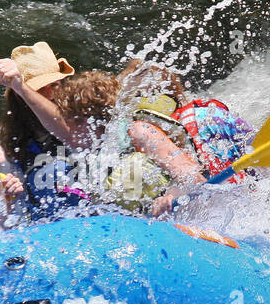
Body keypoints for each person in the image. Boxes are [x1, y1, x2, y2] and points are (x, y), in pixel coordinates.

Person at [0, 42, 119, 225]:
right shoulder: (10, 151)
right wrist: (8, 196)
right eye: (42, 88)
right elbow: (4, 222)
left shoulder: (83, 125)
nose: (51, 95)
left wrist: (20, 86)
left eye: (56, 85)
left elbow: (65, 130)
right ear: (19, 97)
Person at [105, 58, 255, 215]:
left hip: (221, 204)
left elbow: (194, 179)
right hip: (242, 198)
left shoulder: (145, 131)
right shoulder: (207, 114)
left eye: (144, 95)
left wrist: (170, 196)